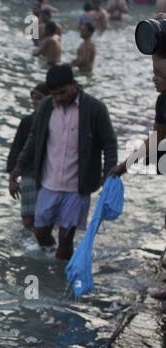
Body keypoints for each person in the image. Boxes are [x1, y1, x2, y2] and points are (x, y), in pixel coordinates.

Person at [10, 62, 117, 260]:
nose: (58, 98)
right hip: (48, 184)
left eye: (62, 93)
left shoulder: (95, 109)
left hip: (77, 188)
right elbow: (34, 139)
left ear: (73, 85)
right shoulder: (46, 106)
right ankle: (50, 259)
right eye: (54, 94)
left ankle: (60, 279)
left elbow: (109, 144)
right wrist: (17, 168)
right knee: (40, 231)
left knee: (66, 239)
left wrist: (109, 176)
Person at [109, 38, 166, 298]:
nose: (153, 79)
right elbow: (155, 141)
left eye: (158, 74)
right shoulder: (163, 101)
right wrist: (124, 166)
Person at [7, 83, 46, 229]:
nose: (35, 102)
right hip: (29, 176)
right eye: (34, 98)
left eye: (39, 98)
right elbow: (16, 150)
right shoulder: (27, 122)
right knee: (28, 221)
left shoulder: (57, 122)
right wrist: (12, 179)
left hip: (51, 178)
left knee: (48, 221)